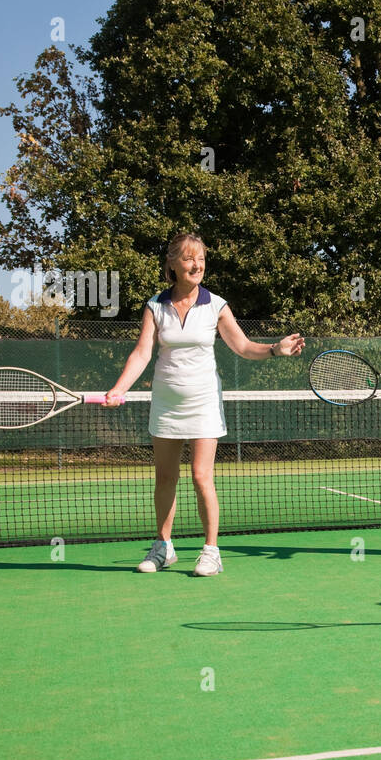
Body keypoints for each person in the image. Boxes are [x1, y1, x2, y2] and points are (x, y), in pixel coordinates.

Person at [104, 232, 305, 575]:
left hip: (204, 402)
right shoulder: (155, 306)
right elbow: (142, 353)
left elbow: (242, 346)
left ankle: (211, 551)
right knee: (165, 476)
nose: (196, 265)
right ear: (172, 264)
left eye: (200, 259)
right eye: (188, 258)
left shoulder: (216, 305)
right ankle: (163, 547)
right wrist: (118, 388)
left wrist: (274, 349)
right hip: (166, 402)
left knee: (201, 476)